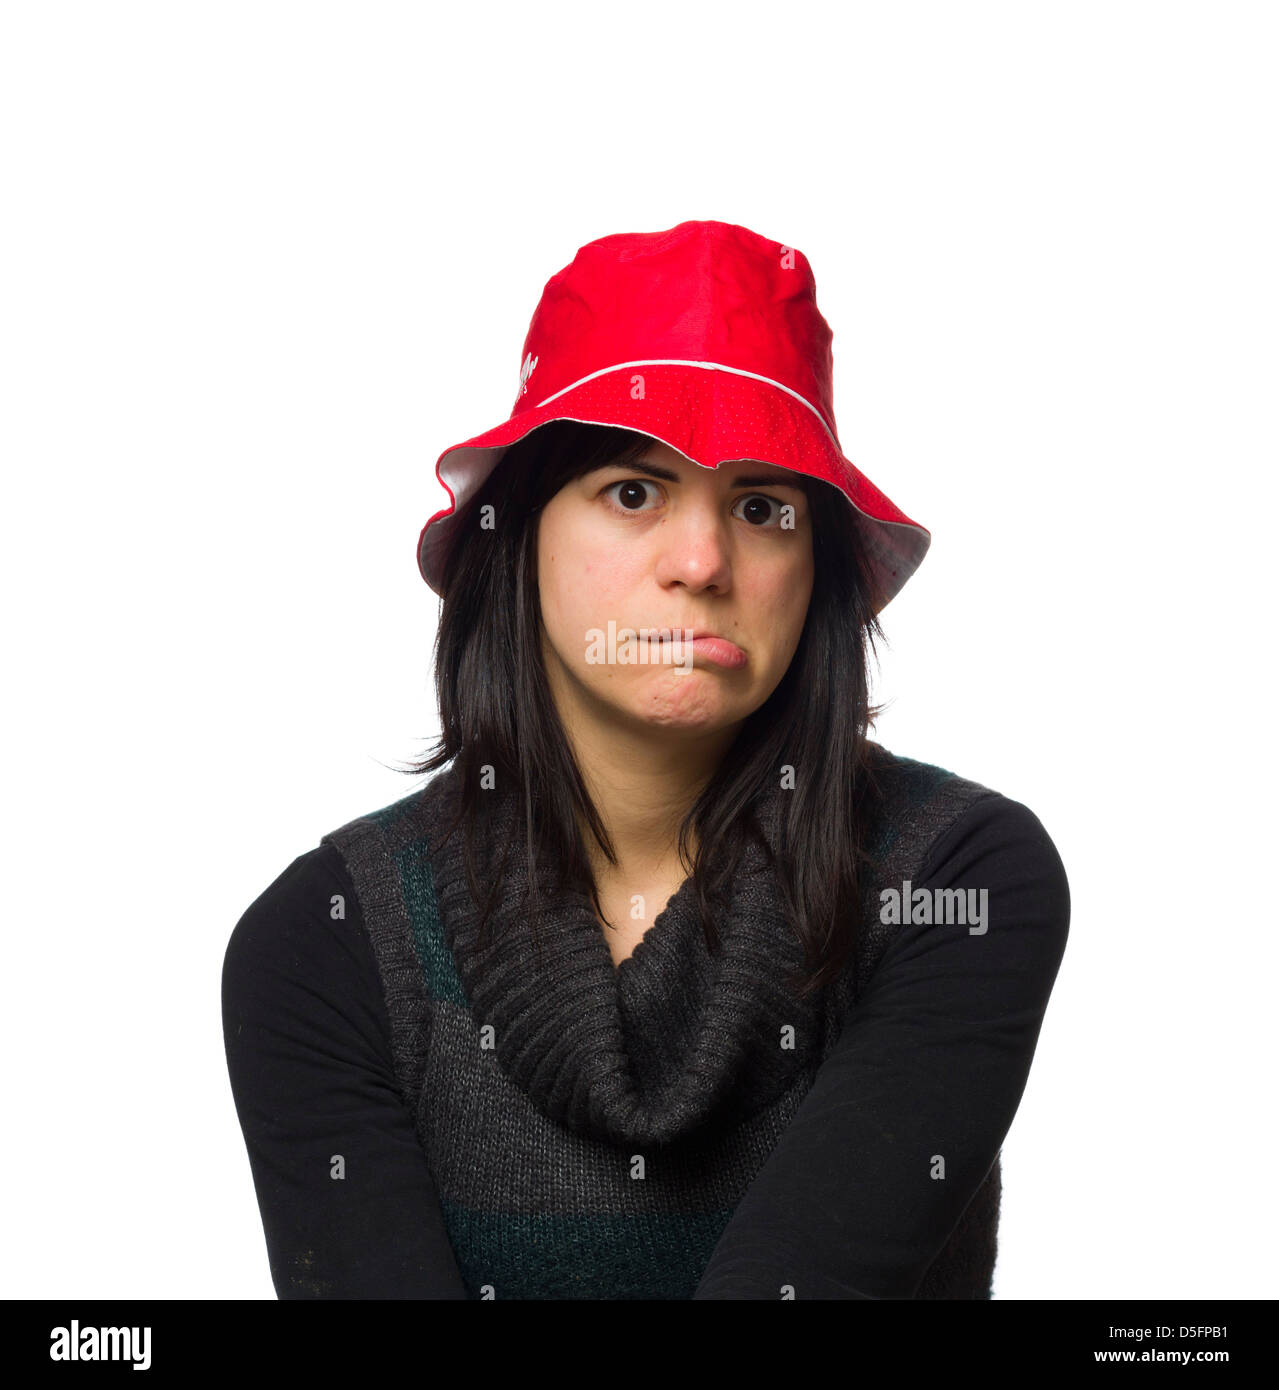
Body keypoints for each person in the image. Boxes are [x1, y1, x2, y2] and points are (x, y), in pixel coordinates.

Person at [221, 219, 1070, 1300]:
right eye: (632, 491)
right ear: (515, 538)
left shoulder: (956, 882)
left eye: (764, 507)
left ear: (818, 573)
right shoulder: (324, 944)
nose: (705, 561)